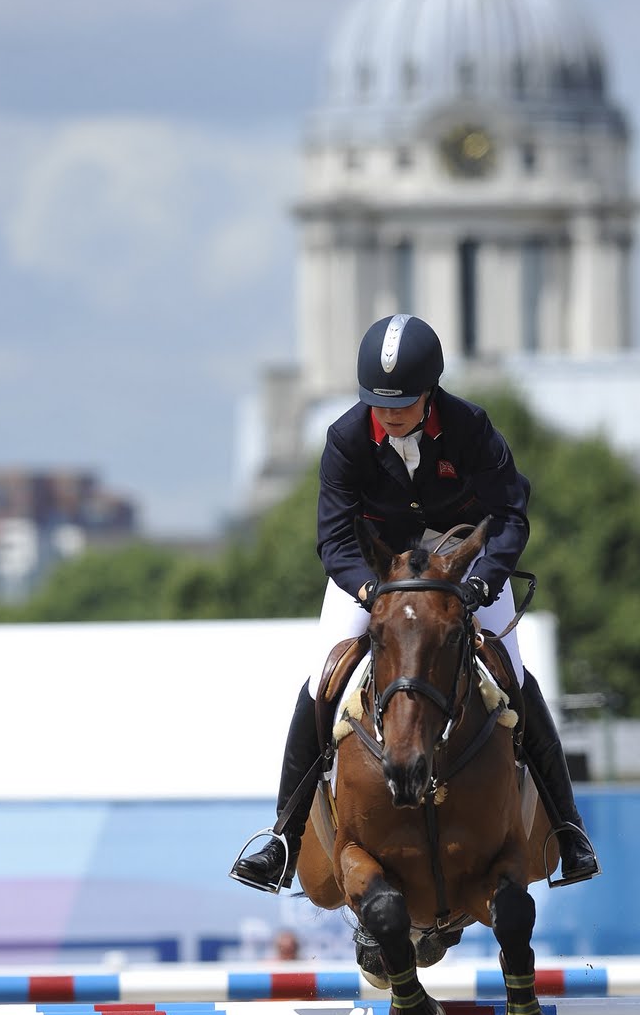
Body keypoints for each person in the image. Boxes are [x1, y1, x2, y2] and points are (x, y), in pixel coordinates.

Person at [230, 312, 600, 895]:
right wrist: (369, 591)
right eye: (380, 401)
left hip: (463, 569)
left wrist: (482, 580)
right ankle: (282, 837)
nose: (390, 412)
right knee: (320, 682)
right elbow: (333, 538)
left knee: (516, 676)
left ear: (430, 391)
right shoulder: (346, 439)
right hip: (378, 580)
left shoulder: (470, 427)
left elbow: (508, 516)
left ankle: (568, 828)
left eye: (402, 401)